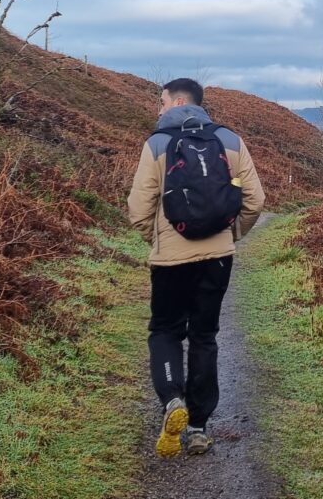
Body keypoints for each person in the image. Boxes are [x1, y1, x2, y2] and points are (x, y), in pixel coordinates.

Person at [128, 77, 266, 458]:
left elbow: (139, 208)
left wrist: (156, 239)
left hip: (170, 260)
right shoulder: (230, 140)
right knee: (204, 336)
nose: (158, 110)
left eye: (161, 102)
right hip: (218, 258)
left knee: (165, 332)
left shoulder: (157, 143)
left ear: (176, 102)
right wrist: (231, 234)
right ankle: (199, 428)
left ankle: (173, 400)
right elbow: (255, 200)